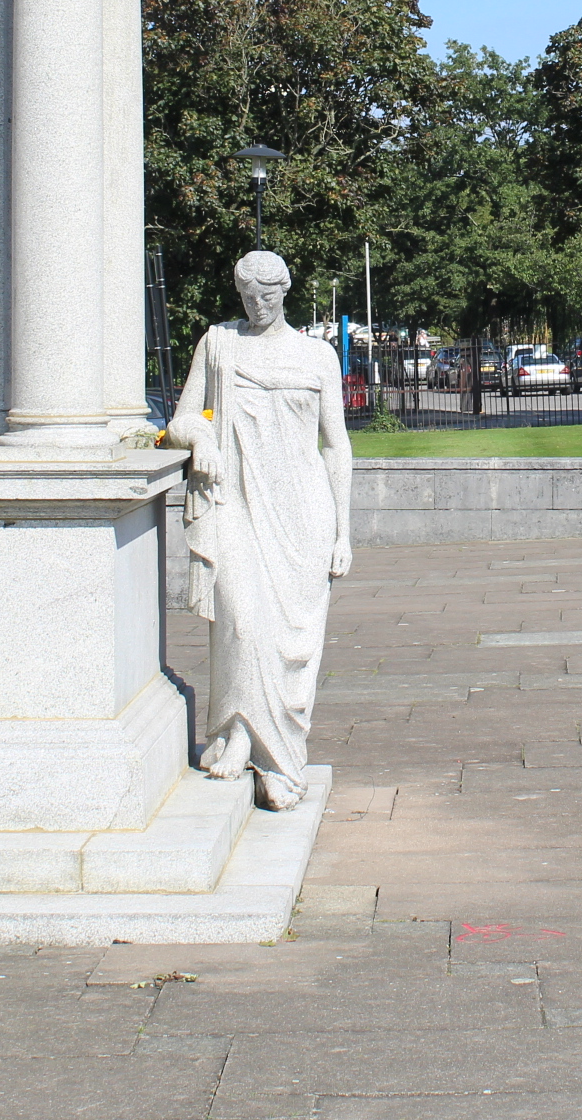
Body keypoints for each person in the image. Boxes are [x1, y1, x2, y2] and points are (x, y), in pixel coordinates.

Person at [162, 250, 353, 809]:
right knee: (242, 624)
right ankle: (239, 731)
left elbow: (336, 445)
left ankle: (278, 759)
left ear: (285, 292)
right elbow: (180, 418)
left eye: (267, 296)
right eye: (248, 297)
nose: (258, 306)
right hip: (238, 505)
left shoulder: (316, 356)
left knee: (294, 642)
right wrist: (199, 436)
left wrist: (344, 531)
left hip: (303, 513)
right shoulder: (218, 344)